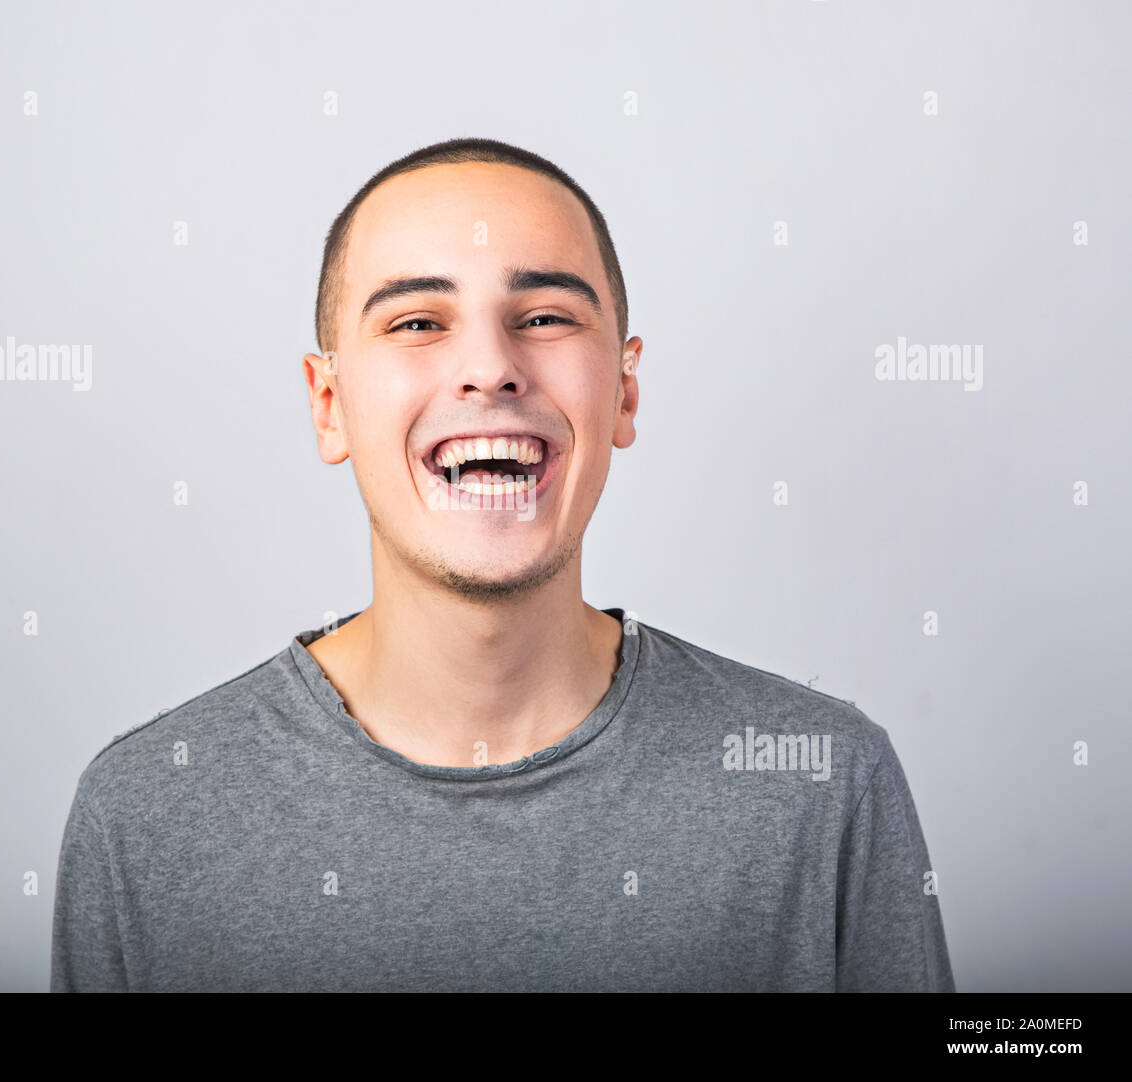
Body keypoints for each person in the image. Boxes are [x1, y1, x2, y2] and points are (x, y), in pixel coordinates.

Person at [50, 137, 955, 992]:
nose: (490, 367)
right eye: (416, 321)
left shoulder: (824, 783)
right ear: (329, 404)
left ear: (624, 392)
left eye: (545, 317)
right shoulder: (146, 814)